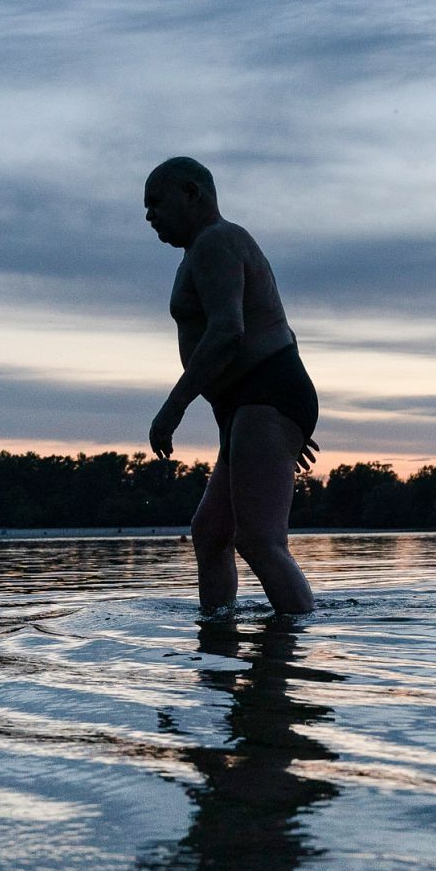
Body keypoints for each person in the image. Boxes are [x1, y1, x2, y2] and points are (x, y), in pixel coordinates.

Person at [146, 157, 318, 614]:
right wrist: (282, 424)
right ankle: (218, 638)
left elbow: (228, 331)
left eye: (156, 203)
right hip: (255, 402)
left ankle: (295, 646)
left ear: (191, 192)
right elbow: (271, 322)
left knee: (259, 539)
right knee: (211, 532)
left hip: (264, 393)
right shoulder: (204, 250)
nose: (149, 217)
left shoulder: (218, 241)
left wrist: (174, 406)